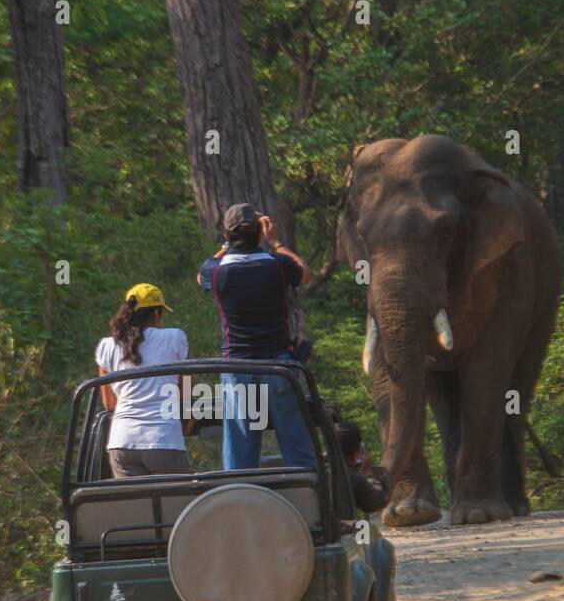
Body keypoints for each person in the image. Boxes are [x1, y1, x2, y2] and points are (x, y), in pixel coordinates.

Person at [197, 203, 316, 471]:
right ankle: (311, 502)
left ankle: (239, 504)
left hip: (238, 368)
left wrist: (226, 244)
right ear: (259, 231)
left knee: (240, 453)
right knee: (296, 445)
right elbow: (305, 273)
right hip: (279, 367)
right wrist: (275, 242)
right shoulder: (277, 265)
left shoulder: (217, 271)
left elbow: (199, 275)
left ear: (227, 235)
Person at [95, 283, 190, 478]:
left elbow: (109, 404)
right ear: (157, 313)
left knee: (136, 508)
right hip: (164, 439)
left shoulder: (107, 346)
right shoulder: (175, 338)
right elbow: (185, 393)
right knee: (177, 507)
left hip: (122, 443)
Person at [333, 420, 389, 514]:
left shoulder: (319, 469)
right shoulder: (353, 477)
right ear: (358, 448)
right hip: (344, 526)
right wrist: (368, 473)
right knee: (366, 526)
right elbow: (377, 503)